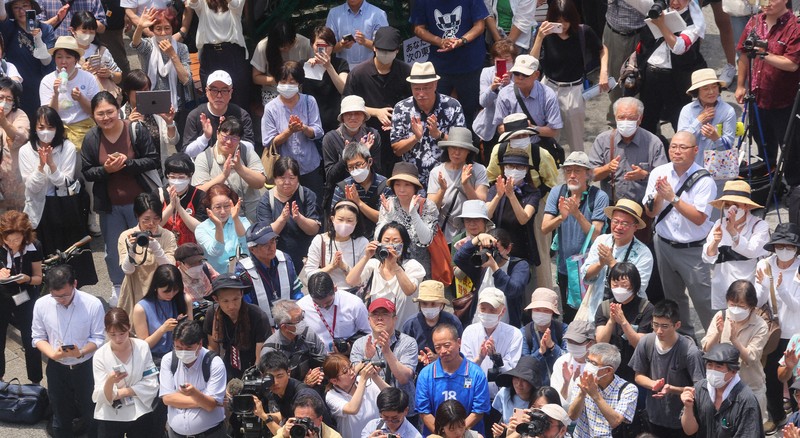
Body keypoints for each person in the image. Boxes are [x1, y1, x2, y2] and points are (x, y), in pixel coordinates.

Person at [81, 91, 160, 304]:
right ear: (94, 115)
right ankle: (118, 286)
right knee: (114, 250)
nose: (106, 117)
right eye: (100, 114)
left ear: (118, 110)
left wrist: (128, 163)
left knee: (144, 243)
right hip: (110, 205)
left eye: (110, 112)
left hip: (139, 203)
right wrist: (106, 170)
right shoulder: (91, 138)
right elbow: (87, 171)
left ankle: (148, 283)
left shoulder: (135, 130)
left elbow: (153, 159)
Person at [643, 131, 717, 336]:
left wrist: (673, 198)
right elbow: (651, 212)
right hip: (664, 244)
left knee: (704, 299)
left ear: (695, 150)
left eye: (682, 147)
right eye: (673, 146)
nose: (676, 151)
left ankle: (717, 344)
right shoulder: (659, 173)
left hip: (693, 249)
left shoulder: (704, 180)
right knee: (673, 298)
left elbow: (699, 218)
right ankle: (685, 339)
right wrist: (659, 195)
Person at [486, 113, 559, 291]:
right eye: (516, 136)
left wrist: (530, 194)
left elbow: (551, 182)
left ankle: (543, 291)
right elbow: (491, 176)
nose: (521, 139)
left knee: (538, 247)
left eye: (524, 135)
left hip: (535, 199)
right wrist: (503, 193)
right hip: (503, 197)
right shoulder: (499, 151)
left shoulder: (540, 153)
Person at [32, 265, 105, 438]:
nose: (61, 299)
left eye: (65, 295)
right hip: (57, 366)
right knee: (60, 412)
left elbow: (98, 338)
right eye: (55, 296)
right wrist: (52, 354)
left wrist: (81, 352)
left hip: (86, 365)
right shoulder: (42, 304)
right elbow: (37, 337)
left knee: (91, 411)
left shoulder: (92, 304)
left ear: (75, 284)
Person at [531, 0, 608, 153]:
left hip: (574, 89)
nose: (562, 25)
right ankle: (549, 171)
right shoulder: (545, 33)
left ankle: (579, 172)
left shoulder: (582, 32)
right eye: (558, 21)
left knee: (575, 139)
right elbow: (532, 63)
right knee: (548, 138)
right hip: (549, 88)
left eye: (566, 20)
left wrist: (603, 72)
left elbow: (602, 49)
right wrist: (539, 37)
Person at [542, 151, 609, 322]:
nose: (572, 175)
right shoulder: (558, 192)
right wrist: (561, 217)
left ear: (588, 174)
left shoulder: (599, 197)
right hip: (566, 268)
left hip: (591, 269)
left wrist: (577, 214)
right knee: (570, 317)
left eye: (577, 171)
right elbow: (544, 228)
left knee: (592, 315)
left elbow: (596, 235)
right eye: (568, 170)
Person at [734, 0, 800, 168]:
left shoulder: (795, 27)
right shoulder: (754, 22)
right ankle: (766, 179)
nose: (767, 3)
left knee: (791, 148)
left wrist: (763, 55)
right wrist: (741, 85)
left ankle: (794, 184)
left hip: (784, 101)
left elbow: (792, 64)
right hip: (756, 98)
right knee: (762, 143)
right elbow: (743, 54)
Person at [629, 299, 705, 436]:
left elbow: (701, 391)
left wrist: (672, 390)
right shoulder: (646, 342)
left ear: (677, 325)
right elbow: (638, 376)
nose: (659, 331)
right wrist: (654, 384)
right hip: (653, 417)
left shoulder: (689, 351)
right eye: (655, 324)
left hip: (681, 422)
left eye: (664, 326)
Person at [701, 280, 770, 431]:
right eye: (732, 304)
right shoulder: (721, 316)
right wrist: (718, 333)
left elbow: (751, 358)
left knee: (751, 430)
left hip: (750, 386)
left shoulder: (761, 326)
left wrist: (734, 340)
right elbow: (706, 348)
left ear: (752, 307)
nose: (736, 309)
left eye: (742, 306)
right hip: (721, 387)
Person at [342, 25, 411, 176]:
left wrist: (399, 118)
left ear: (397, 51)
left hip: (400, 138)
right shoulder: (359, 74)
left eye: (390, 51)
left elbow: (414, 103)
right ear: (373, 48)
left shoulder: (406, 72)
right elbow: (347, 105)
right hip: (368, 138)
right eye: (381, 50)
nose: (385, 54)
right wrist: (375, 112)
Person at [410, 0, 489, 127]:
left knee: (469, 109)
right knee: (437, 110)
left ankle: (468, 142)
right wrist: (439, 41)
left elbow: (480, 25)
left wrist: (462, 40)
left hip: (470, 63)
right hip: (440, 65)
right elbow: (418, 28)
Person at [635, 0, 707, 134]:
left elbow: (679, 47)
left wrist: (661, 25)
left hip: (677, 80)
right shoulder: (656, 5)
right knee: (646, 124)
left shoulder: (695, 19)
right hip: (650, 74)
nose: (675, 2)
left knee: (681, 124)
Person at [390, 61, 466, 187]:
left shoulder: (452, 106)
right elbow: (397, 149)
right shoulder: (401, 108)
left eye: (426, 88)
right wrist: (415, 138)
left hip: (447, 176)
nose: (421, 94)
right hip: (413, 180)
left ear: (435, 85)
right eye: (417, 89)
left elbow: (463, 146)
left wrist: (439, 135)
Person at [19, 105, 79, 255]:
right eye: (41, 126)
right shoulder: (25, 150)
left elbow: (65, 182)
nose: (45, 131)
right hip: (38, 209)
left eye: (50, 127)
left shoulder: (67, 147)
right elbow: (31, 187)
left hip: (62, 206)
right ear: (34, 128)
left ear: (57, 128)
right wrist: (40, 166)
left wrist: (51, 164)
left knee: (66, 252)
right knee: (42, 254)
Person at [261, 60, 325, 202]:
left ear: (299, 83)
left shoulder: (310, 101)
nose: (287, 85)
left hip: (310, 167)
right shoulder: (271, 108)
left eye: (292, 81)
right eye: (283, 81)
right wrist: (288, 132)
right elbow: (269, 142)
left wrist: (303, 128)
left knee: (314, 206)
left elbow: (318, 131)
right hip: (285, 172)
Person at [703, 181, 770, 311]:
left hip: (749, 288)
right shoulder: (719, 223)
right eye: (726, 206)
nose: (730, 210)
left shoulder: (759, 226)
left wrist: (732, 231)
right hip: (723, 288)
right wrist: (715, 242)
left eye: (735, 206)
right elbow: (707, 257)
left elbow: (752, 250)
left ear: (745, 206)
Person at [92, 308, 160, 436]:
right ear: (106, 332)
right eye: (112, 334)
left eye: (122, 333)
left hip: (140, 410)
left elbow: (151, 382)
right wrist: (110, 381)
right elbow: (100, 394)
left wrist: (121, 393)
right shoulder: (100, 355)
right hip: (110, 415)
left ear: (129, 328)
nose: (118, 339)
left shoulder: (142, 347)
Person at [416, 323, 492, 435]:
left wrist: (457, 432)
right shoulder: (426, 374)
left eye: (447, 345)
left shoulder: (476, 373)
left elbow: (478, 411)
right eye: (437, 347)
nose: (442, 351)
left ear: (459, 342)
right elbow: (424, 412)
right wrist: (444, 434)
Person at [589, 97, 667, 205]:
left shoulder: (653, 143)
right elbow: (591, 175)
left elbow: (663, 179)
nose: (625, 122)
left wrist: (644, 175)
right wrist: (607, 168)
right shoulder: (603, 140)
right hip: (612, 205)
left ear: (640, 119)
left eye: (631, 118)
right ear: (615, 118)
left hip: (642, 206)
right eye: (621, 117)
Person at [582, 199, 654, 313]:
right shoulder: (601, 241)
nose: (618, 227)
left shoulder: (644, 253)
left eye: (625, 224)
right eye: (615, 221)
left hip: (630, 314)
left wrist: (611, 263)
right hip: (598, 309)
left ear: (635, 227)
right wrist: (600, 264)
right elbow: (585, 275)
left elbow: (638, 288)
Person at [346, 221, 426, 325]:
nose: (390, 245)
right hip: (379, 330)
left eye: (395, 241)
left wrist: (395, 265)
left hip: (405, 329)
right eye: (386, 240)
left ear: (404, 244)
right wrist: (366, 257)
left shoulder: (413, 266)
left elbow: (409, 290)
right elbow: (350, 281)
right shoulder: (374, 265)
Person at [350, 298, 419, 416]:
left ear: (395, 319)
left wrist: (387, 352)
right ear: (368, 319)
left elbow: (403, 378)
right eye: (375, 314)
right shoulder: (360, 344)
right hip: (371, 411)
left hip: (403, 411)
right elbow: (353, 376)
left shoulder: (408, 342)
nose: (379, 318)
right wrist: (367, 357)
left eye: (385, 314)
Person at [679, 343, 764, 437]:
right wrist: (688, 407)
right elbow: (689, 431)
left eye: (718, 367)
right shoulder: (699, 389)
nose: (713, 370)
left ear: (733, 371)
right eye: (710, 365)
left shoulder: (745, 400)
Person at [160, 319, 226, 438]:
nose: (183, 352)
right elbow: (167, 399)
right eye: (179, 348)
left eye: (188, 348)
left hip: (210, 433)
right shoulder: (168, 360)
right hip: (176, 434)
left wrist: (194, 393)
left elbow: (210, 405)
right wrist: (201, 399)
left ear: (200, 344)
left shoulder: (214, 363)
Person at [192, 116, 266, 221]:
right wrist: (223, 176)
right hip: (221, 221)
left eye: (234, 138)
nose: (229, 142)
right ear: (217, 134)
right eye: (225, 137)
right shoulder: (204, 157)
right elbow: (198, 193)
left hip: (252, 217)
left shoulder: (247, 152)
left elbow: (260, 183)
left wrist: (240, 168)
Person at [256, 157, 322, 274]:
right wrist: (282, 219)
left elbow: (314, 229)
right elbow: (265, 236)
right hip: (277, 260)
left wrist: (299, 218)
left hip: (306, 259)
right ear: (275, 178)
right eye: (282, 178)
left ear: (298, 179)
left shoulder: (307, 195)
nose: (287, 182)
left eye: (292, 178)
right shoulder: (266, 200)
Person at [453, 229, 530, 326]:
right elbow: (458, 258)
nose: (489, 253)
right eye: (484, 248)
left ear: (508, 248)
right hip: (478, 326)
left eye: (494, 248)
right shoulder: (481, 266)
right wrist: (477, 239)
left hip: (506, 329)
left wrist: (495, 268)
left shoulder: (519, 266)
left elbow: (513, 290)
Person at [487, 150, 541, 289]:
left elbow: (524, 218)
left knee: (519, 292)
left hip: (522, 253)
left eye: (520, 167)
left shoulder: (532, 192)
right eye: (510, 166)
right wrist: (499, 196)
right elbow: (486, 214)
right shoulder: (495, 189)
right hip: (498, 251)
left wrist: (511, 195)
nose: (514, 170)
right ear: (504, 168)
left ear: (526, 170)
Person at [117, 192, 177, 316]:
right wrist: (132, 250)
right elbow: (127, 270)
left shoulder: (167, 236)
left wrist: (156, 247)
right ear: (137, 217)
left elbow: (170, 269)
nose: (151, 223)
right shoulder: (126, 236)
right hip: (134, 289)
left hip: (161, 292)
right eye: (146, 219)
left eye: (156, 218)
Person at [0, 211, 42, 384]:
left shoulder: (34, 246)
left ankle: (35, 381)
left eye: (16, 240)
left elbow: (39, 278)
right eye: (7, 240)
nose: (12, 244)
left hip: (25, 295)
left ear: (25, 236)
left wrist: (28, 279)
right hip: (2, 296)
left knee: (30, 339)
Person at [593, 262, 654, 383]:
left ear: (634, 285)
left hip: (636, 371)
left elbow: (639, 344)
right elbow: (600, 341)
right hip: (609, 371)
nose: (619, 289)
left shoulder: (646, 309)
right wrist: (611, 321)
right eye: (615, 285)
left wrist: (623, 322)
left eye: (624, 285)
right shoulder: (604, 307)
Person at [375, 162, 438, 276]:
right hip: (392, 265)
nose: (402, 189)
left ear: (415, 187)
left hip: (419, 268)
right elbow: (378, 238)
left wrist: (414, 213)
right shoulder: (389, 203)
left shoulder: (428, 206)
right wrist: (388, 217)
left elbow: (425, 240)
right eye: (397, 184)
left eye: (407, 185)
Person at [204, 273, 271, 380]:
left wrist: (254, 375)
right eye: (225, 301)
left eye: (235, 299)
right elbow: (213, 347)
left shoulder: (258, 316)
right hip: (227, 363)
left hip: (252, 363)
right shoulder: (212, 313)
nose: (231, 306)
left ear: (241, 294)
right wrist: (214, 371)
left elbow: (260, 356)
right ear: (216, 299)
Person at [427, 126, 489, 240]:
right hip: (444, 232)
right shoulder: (436, 172)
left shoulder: (479, 170)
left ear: (468, 150)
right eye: (453, 147)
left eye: (461, 148)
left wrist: (466, 185)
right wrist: (442, 190)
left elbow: (481, 205)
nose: (456, 152)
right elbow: (431, 209)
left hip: (472, 233)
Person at [186, 0, 249, 109]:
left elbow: (235, 5)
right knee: (211, 95)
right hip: (209, 54)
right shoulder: (204, 3)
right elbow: (193, 3)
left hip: (231, 52)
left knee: (236, 96)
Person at [40, 36, 101, 149]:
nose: (63, 61)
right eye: (59, 57)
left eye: (68, 57)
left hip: (84, 128)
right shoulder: (47, 80)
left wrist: (81, 98)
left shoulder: (88, 78)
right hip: (57, 129)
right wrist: (55, 94)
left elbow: (95, 111)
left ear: (76, 59)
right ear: (55, 59)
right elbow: (47, 117)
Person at [236, 222, 302, 323]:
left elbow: (297, 293)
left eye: (272, 241)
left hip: (291, 323)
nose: (271, 247)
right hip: (261, 329)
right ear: (252, 249)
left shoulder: (285, 259)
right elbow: (246, 308)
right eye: (265, 244)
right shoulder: (243, 272)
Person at [567, 343, 638, 437]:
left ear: (608, 370)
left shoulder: (628, 390)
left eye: (594, 363)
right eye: (588, 360)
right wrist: (582, 393)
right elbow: (572, 416)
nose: (588, 365)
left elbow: (615, 421)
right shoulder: (581, 381)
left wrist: (595, 395)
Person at [323, 97, 382, 209]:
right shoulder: (330, 138)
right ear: (342, 117)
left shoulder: (373, 135)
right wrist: (346, 157)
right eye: (348, 114)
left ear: (364, 116)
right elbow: (330, 177)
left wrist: (365, 153)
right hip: (340, 194)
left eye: (357, 113)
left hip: (369, 193)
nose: (353, 117)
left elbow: (378, 170)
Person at [0, 0, 55, 118]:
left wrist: (38, 39)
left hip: (43, 84)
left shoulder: (46, 29)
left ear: (32, 7)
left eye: (25, 6)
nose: (21, 11)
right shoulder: (9, 28)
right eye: (16, 8)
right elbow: (2, 15)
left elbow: (47, 61)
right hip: (19, 87)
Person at [181, 69, 254, 158]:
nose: (219, 95)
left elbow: (250, 149)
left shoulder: (242, 115)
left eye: (224, 90)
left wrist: (228, 138)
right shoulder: (195, 115)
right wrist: (205, 137)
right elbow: (187, 153)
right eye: (214, 90)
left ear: (230, 92)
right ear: (207, 91)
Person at [131, 7, 191, 111]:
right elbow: (136, 43)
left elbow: (186, 80)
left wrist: (173, 55)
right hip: (151, 100)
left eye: (167, 28)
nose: (163, 33)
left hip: (176, 101)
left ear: (173, 29)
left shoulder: (181, 48)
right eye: (158, 29)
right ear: (152, 30)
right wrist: (140, 27)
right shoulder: (149, 45)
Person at [492, 55, 562, 144]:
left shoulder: (548, 95)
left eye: (525, 74)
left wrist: (532, 128)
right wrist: (520, 126)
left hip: (539, 145)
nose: (520, 77)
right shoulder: (504, 94)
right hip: (512, 145)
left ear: (536, 75)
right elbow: (500, 128)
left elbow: (553, 131)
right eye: (516, 73)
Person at [676, 69, 737, 171]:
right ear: (697, 91)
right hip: (691, 168)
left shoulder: (728, 111)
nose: (711, 92)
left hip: (718, 171)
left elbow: (728, 147)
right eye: (705, 88)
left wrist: (716, 138)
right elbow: (681, 142)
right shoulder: (687, 110)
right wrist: (699, 121)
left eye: (714, 87)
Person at [131, 264, 193, 365]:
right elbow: (144, 345)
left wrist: (182, 326)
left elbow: (191, 334)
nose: (171, 294)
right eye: (166, 291)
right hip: (154, 359)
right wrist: (162, 329)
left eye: (175, 290)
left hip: (181, 355)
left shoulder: (184, 300)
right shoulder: (141, 308)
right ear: (155, 287)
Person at [329, 141, 391, 238]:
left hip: (379, 238)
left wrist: (358, 202)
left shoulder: (385, 186)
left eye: (358, 164)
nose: (355, 170)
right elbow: (335, 219)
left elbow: (387, 219)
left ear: (369, 162)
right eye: (350, 167)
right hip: (352, 240)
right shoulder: (343, 187)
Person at [298, 271, 371, 353]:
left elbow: (368, 333)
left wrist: (351, 347)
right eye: (318, 304)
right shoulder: (301, 307)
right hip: (317, 357)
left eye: (328, 303)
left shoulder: (354, 304)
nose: (324, 306)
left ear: (335, 288)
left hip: (348, 355)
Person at [305, 200, 370, 290]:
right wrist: (331, 267)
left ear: (356, 222)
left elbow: (363, 279)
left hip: (353, 295)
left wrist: (344, 267)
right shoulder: (320, 240)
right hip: (326, 296)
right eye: (340, 219)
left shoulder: (362, 242)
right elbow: (309, 275)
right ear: (332, 219)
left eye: (349, 220)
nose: (344, 224)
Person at [401, 280, 464, 371]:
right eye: (425, 303)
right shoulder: (410, 324)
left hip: (448, 372)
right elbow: (403, 352)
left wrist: (439, 357)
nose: (429, 307)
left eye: (433, 303)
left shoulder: (453, 322)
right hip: (417, 373)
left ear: (442, 305)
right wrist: (420, 358)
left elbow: (460, 350)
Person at [119, 70, 179, 165]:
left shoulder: (157, 111)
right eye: (138, 91)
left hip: (157, 167)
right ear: (127, 92)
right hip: (133, 168)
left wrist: (169, 123)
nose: (143, 94)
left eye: (146, 90)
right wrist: (127, 124)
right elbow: (118, 145)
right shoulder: (120, 114)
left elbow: (173, 141)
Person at [260, 300, 327, 385]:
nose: (303, 321)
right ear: (284, 327)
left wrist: (318, 374)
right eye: (298, 320)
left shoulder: (308, 334)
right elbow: (274, 388)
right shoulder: (270, 350)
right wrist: (304, 385)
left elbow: (324, 360)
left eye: (302, 316)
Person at [324, 352, 388, 438]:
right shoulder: (332, 395)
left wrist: (375, 377)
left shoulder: (363, 381)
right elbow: (352, 409)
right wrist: (363, 379)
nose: (351, 372)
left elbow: (391, 395)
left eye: (351, 366)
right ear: (334, 381)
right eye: (345, 371)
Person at [250, 351, 314, 436]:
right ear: (262, 376)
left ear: (288, 373)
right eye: (270, 378)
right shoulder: (277, 391)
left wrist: (264, 417)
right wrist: (257, 413)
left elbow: (288, 435)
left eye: (279, 376)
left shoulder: (303, 397)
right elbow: (284, 414)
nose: (275, 382)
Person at [250, 21, 314, 105]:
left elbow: (314, 70)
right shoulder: (263, 46)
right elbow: (256, 78)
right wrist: (280, 80)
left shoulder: (304, 43)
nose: (286, 49)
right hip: (273, 91)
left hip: (297, 90)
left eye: (290, 44)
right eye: (282, 46)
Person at [194, 183, 250, 274]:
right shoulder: (201, 229)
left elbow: (248, 244)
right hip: (219, 277)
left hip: (245, 273)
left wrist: (235, 219)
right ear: (209, 208)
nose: (223, 211)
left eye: (227, 206)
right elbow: (215, 252)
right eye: (218, 207)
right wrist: (218, 226)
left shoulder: (242, 221)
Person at [303, 26, 349, 133]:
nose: (323, 49)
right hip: (311, 124)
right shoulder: (305, 64)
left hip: (334, 123)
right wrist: (306, 67)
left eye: (327, 46)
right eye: (319, 46)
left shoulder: (340, 64)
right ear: (312, 45)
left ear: (333, 46)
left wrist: (329, 66)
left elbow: (343, 89)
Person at [520, 288, 568, 385]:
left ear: (552, 313)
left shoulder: (563, 329)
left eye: (546, 310)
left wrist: (552, 346)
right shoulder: (524, 333)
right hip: (535, 388)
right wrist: (540, 352)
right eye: (537, 310)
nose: (541, 313)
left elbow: (568, 359)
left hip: (560, 386)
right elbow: (525, 365)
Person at [472, 39, 516, 143]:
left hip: (512, 128)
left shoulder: (519, 74)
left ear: (514, 60)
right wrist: (493, 88)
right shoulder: (487, 72)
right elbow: (483, 102)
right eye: (499, 59)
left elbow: (519, 101)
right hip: (489, 127)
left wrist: (509, 85)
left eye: (507, 59)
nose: (504, 62)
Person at [159, 152, 207, 245]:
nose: (176, 181)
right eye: (172, 177)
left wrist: (179, 208)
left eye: (181, 177)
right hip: (163, 247)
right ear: (167, 176)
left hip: (191, 249)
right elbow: (155, 226)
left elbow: (199, 229)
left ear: (190, 176)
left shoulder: (200, 196)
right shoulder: (158, 194)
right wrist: (171, 206)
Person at [70, 11, 122, 97]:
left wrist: (109, 74)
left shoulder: (102, 51)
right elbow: (60, 77)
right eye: (84, 31)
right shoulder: (67, 51)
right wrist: (80, 71)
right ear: (73, 30)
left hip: (100, 100)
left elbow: (119, 77)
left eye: (91, 32)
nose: (88, 35)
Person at [325, 0, 388, 68]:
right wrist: (341, 45)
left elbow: (384, 48)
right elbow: (327, 48)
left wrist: (365, 42)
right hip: (342, 69)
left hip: (369, 69)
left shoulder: (378, 14)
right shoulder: (334, 13)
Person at [550, 320, 596, 405]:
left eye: (577, 342)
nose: (572, 345)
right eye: (569, 341)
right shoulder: (562, 362)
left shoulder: (598, 366)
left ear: (590, 343)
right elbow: (557, 401)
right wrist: (566, 383)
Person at [268, 392, 343, 438]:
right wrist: (283, 436)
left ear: (320, 419)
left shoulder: (333, 436)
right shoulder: (291, 429)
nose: (301, 424)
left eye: (306, 420)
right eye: (298, 419)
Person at [492, 356, 542, 423]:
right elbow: (497, 419)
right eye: (516, 378)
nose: (519, 384)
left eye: (524, 380)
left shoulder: (540, 401)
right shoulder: (504, 393)